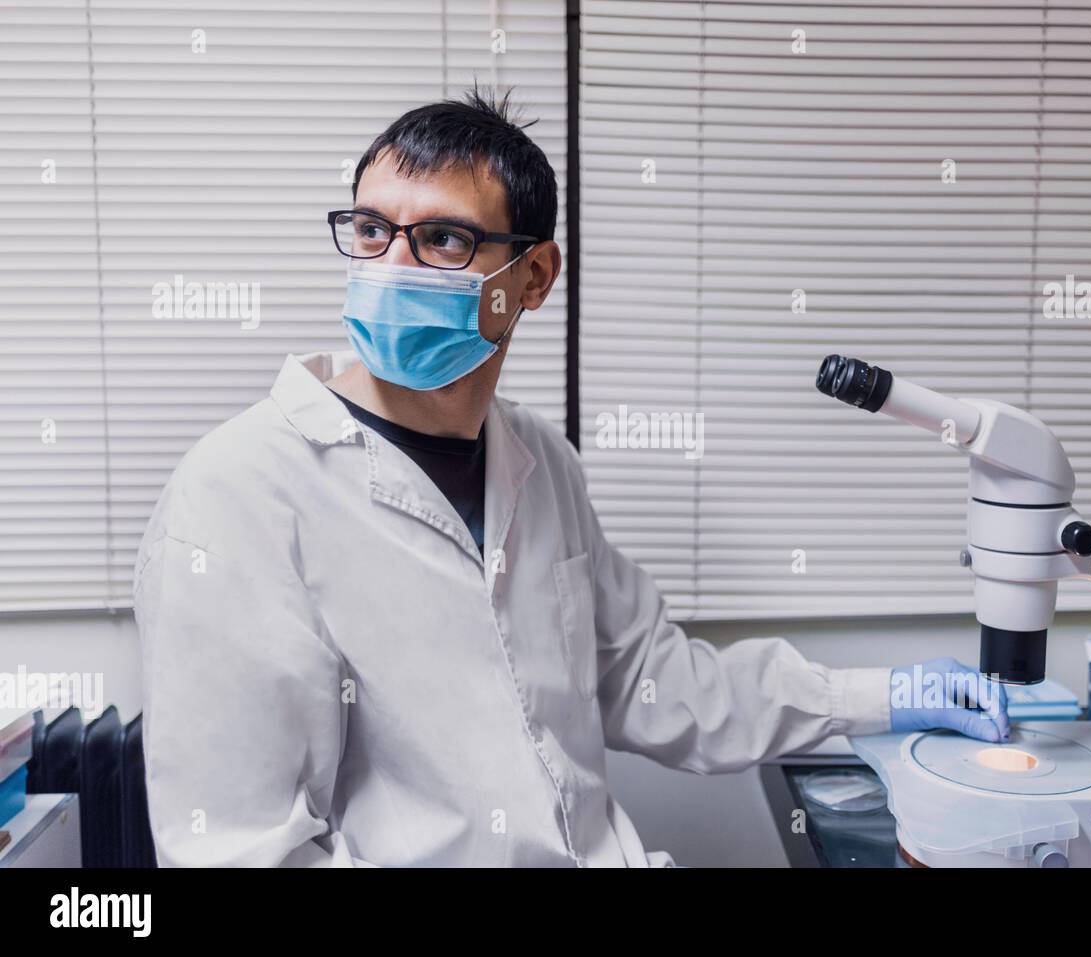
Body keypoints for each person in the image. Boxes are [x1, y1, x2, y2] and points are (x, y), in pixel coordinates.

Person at [133, 89, 1008, 867]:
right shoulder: (236, 496)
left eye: (441, 238)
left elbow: (652, 683)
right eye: (370, 231)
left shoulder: (538, 462)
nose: (390, 268)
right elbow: (241, 852)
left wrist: (882, 694)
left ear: (533, 277)